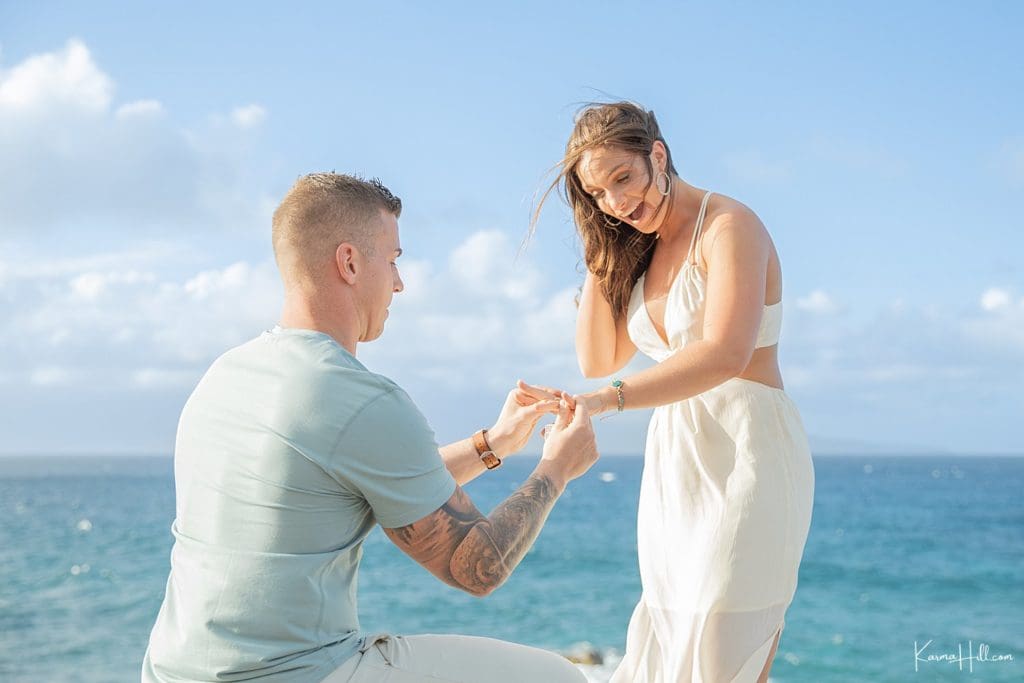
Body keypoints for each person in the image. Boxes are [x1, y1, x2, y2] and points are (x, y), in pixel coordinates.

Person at [141, 173, 597, 683]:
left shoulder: (225, 375)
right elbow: (478, 566)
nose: (400, 283)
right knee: (561, 677)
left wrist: (492, 445)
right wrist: (557, 467)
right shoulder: (358, 398)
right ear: (351, 263)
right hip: (293, 674)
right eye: (394, 259)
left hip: (171, 671)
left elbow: (355, 481)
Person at [528, 102, 816, 682]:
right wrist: (598, 244)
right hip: (676, 465)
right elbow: (597, 357)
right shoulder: (638, 244)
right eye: (598, 192)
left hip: (748, 453)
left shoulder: (731, 225)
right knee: (668, 639)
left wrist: (603, 401)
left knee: (722, 647)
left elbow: (725, 353)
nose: (616, 200)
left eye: (623, 178)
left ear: (657, 155)